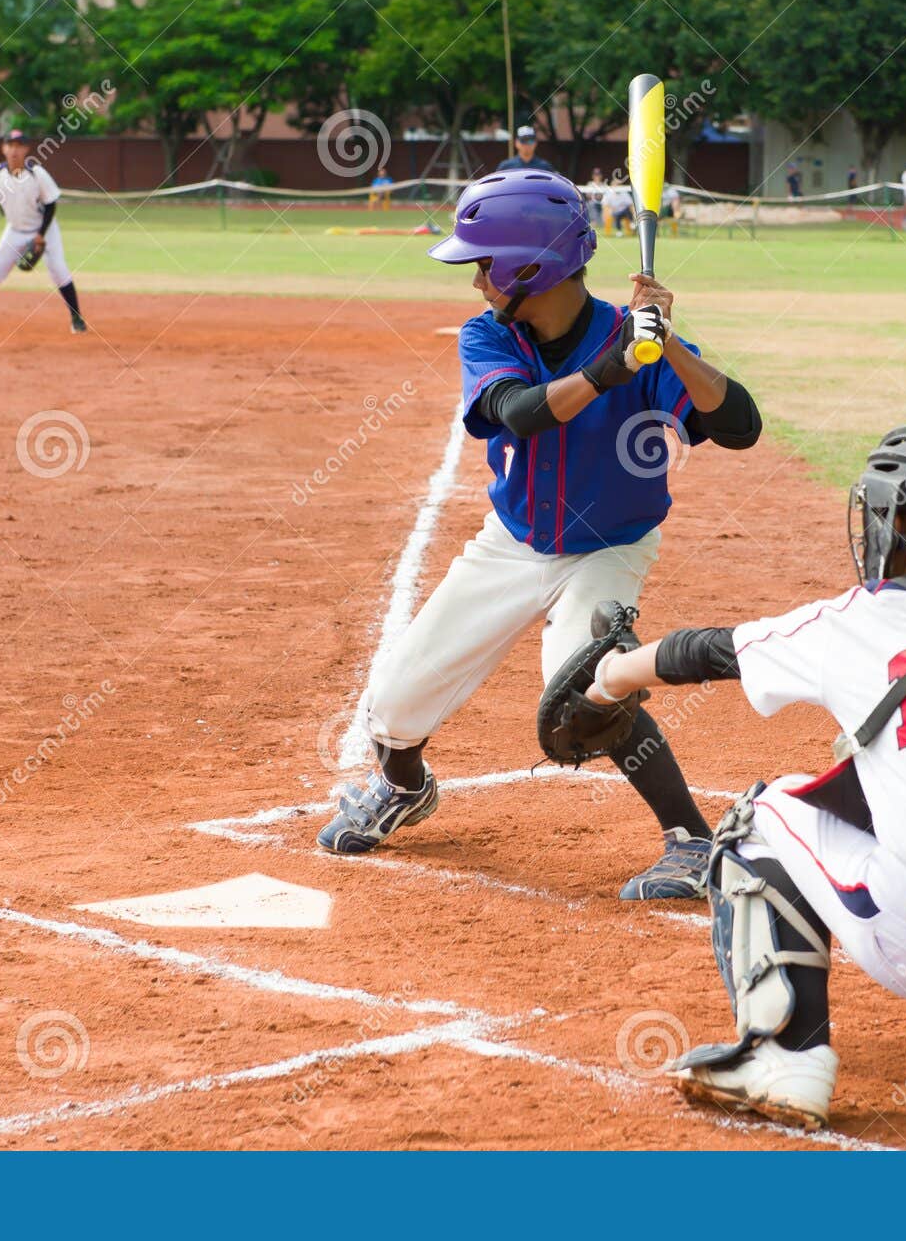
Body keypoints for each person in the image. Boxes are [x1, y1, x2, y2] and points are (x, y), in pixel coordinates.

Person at [576, 418, 906, 1129]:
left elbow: (708, 652)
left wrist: (606, 680)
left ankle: (784, 1054)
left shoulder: (853, 620)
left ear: (898, 528)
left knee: (762, 813)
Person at [316, 170, 764, 901]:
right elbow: (519, 411)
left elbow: (739, 427)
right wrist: (609, 367)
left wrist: (669, 346)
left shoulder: (636, 342)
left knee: (586, 682)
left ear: (533, 268)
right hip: (514, 539)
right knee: (394, 700)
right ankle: (404, 789)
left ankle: (691, 842)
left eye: (483, 265)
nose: (476, 283)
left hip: (609, 543)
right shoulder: (491, 335)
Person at [0, 130, 86, 334]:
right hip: (15, 230)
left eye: (19, 146)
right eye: (10, 145)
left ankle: (77, 319)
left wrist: (40, 235)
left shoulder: (37, 173)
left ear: (26, 149)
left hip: (44, 230)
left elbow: (51, 205)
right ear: (3, 148)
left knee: (58, 270)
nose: (14, 150)